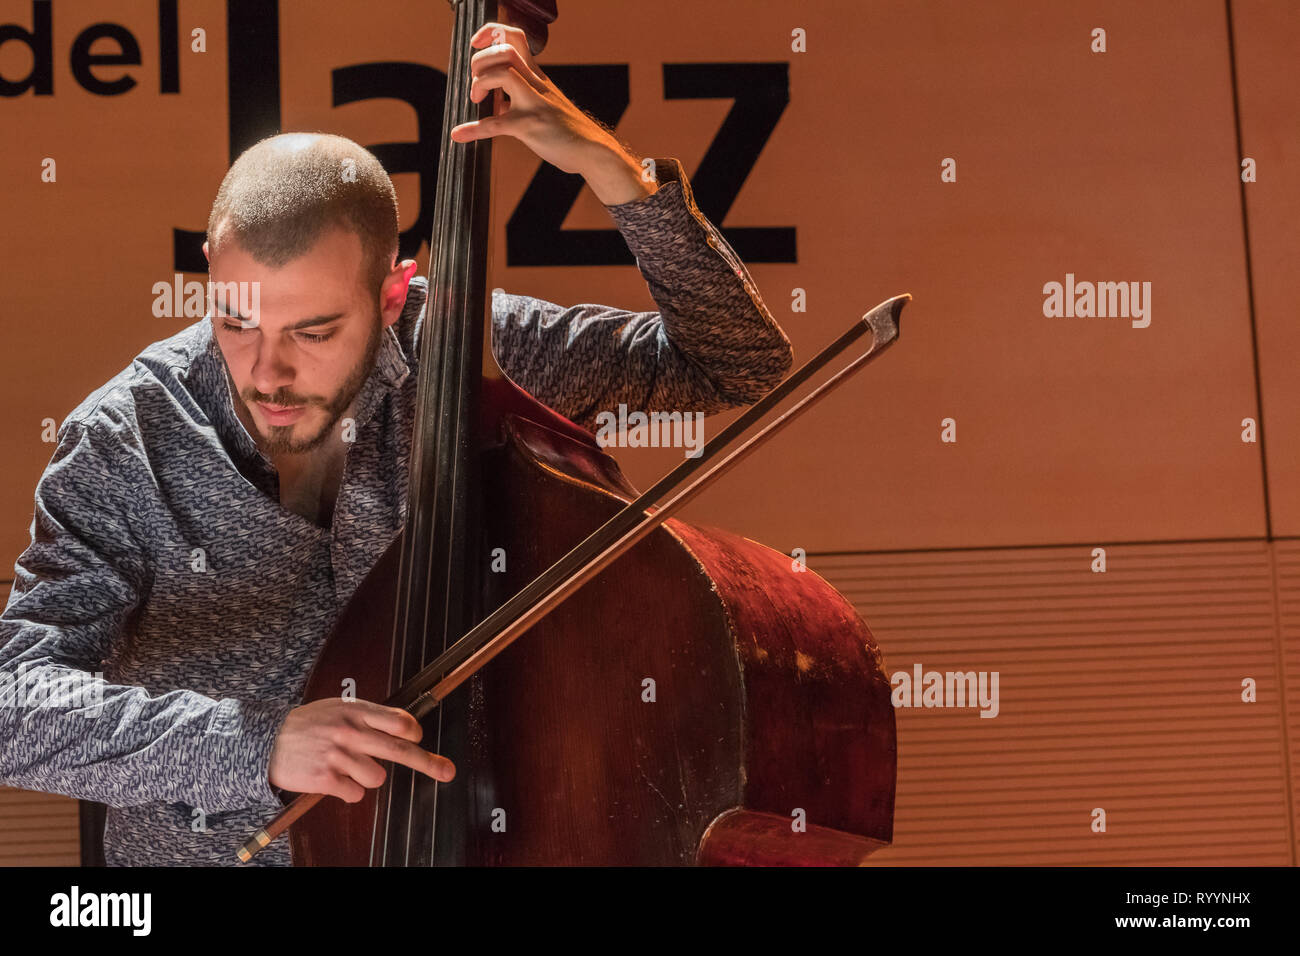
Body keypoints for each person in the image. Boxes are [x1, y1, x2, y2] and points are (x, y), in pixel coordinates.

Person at [0, 22, 792, 865]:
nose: (267, 372)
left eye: (313, 330)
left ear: (392, 295)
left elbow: (738, 364)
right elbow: (14, 707)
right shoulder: (127, 439)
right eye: (236, 319)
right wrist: (253, 745)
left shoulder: (462, 350)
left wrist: (616, 174)